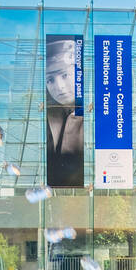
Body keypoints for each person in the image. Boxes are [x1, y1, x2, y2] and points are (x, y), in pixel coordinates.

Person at [45, 38, 83, 187]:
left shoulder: (102, 111)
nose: (59, 87)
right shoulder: (46, 116)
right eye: (50, 80)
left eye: (65, 75)